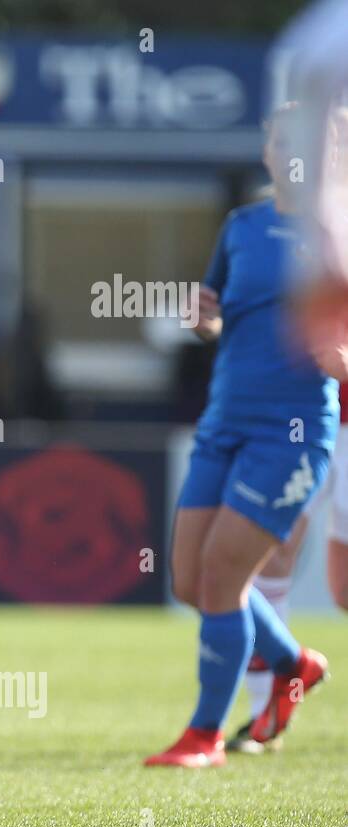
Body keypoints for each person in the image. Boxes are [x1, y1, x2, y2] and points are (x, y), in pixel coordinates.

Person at [149, 103, 340, 768]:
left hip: (289, 436)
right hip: (222, 422)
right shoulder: (242, 226)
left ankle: (204, 737)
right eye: (278, 137)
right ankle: (295, 664)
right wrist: (203, 320)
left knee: (224, 576)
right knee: (188, 580)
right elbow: (219, 317)